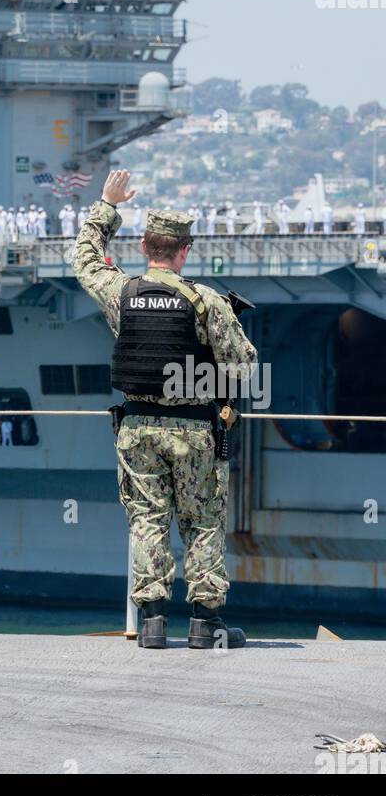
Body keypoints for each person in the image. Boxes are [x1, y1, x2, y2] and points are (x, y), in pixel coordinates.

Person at [73, 169, 256, 651]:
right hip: (195, 430)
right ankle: (206, 625)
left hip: (136, 428)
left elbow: (85, 260)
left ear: (144, 246)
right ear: (184, 250)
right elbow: (243, 367)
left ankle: (152, 624)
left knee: (148, 521)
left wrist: (107, 205)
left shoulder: (122, 293)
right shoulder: (206, 301)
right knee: (202, 522)